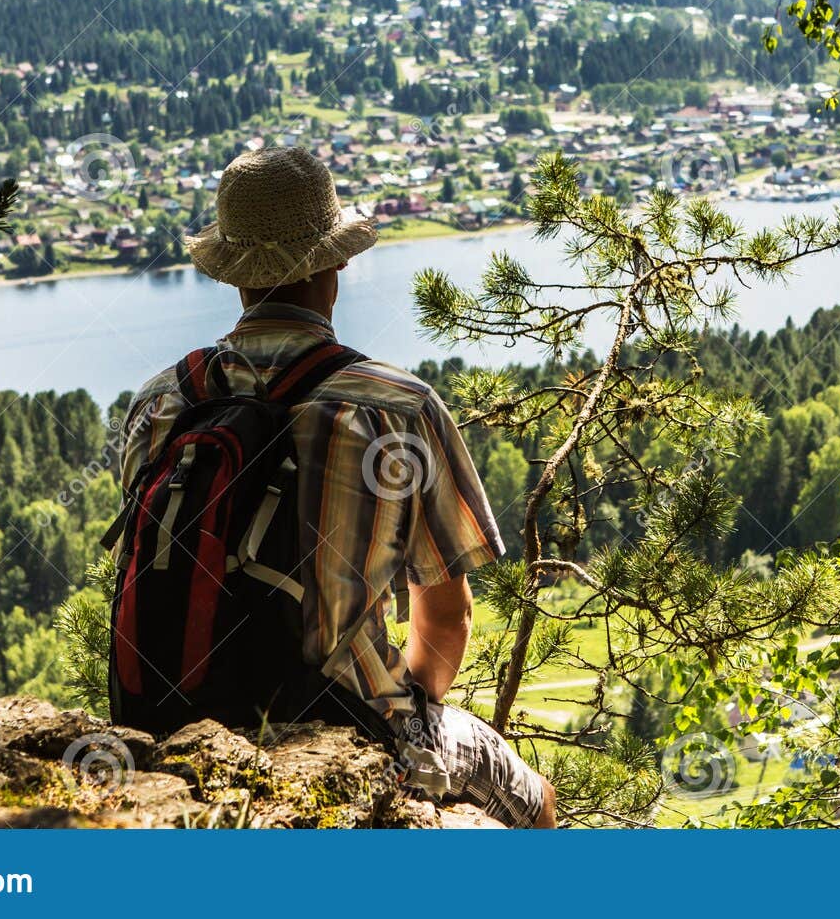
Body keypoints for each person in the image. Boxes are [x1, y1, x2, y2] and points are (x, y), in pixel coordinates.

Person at [119, 146, 555, 829]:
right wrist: (410, 712)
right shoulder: (397, 407)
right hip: (346, 724)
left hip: (177, 720)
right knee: (535, 798)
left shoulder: (160, 403)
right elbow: (447, 618)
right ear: (336, 264)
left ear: (234, 276)